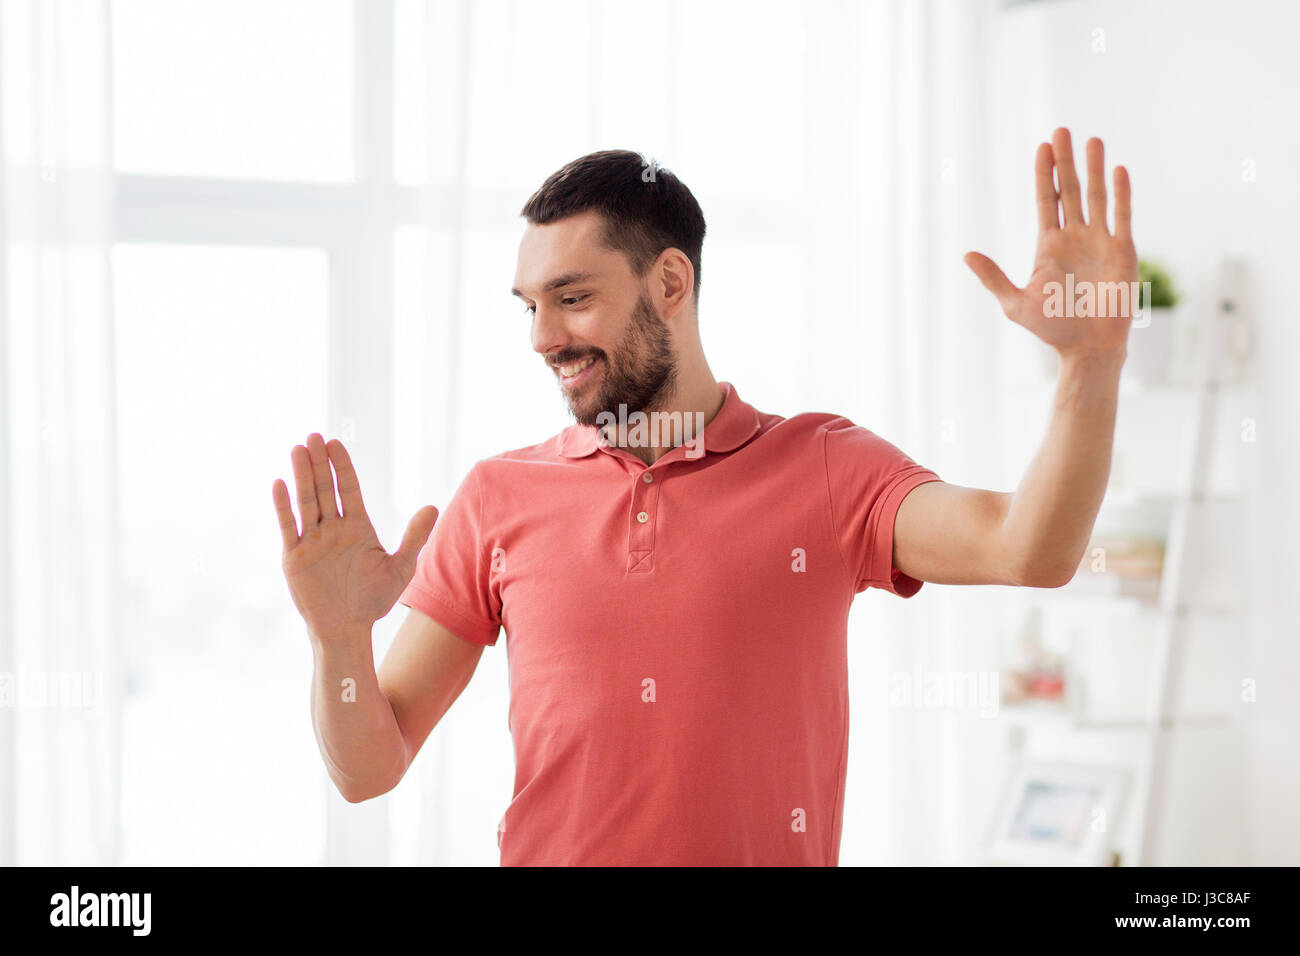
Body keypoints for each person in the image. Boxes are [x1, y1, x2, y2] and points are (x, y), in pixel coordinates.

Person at [271, 129, 1137, 865]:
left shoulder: (824, 466)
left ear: (671, 284)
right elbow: (366, 771)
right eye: (530, 306)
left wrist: (1091, 363)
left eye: (572, 299)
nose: (543, 338)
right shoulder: (500, 495)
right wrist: (338, 639)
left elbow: (1031, 549)